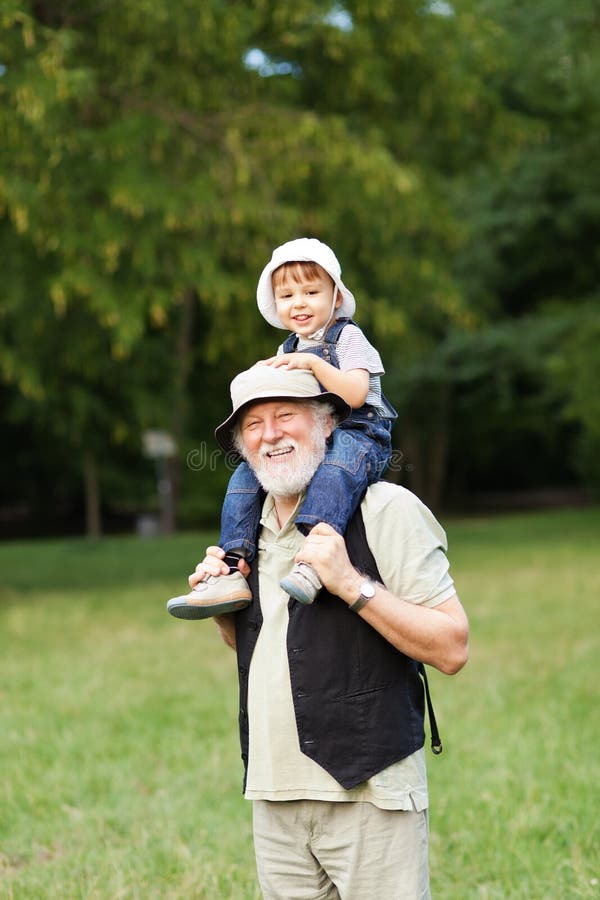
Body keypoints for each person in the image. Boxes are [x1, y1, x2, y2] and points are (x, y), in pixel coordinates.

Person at [188, 364, 469, 899]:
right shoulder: (247, 531)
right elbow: (259, 646)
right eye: (252, 424)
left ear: (327, 424)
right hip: (273, 795)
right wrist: (226, 605)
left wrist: (349, 583)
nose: (269, 434)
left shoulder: (386, 509)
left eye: (285, 416)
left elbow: (452, 646)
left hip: (371, 794)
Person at [168, 237, 397, 618]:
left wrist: (313, 366)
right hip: (314, 435)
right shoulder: (287, 347)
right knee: (246, 472)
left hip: (360, 434)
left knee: (335, 471)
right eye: (287, 295)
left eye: (311, 291)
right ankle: (231, 564)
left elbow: (356, 394)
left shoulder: (348, 336)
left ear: (336, 297)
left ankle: (315, 559)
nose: (300, 303)